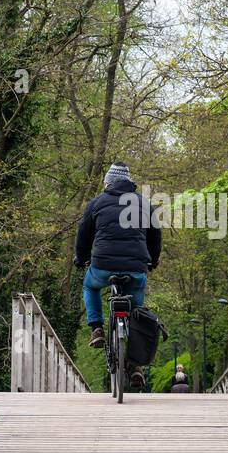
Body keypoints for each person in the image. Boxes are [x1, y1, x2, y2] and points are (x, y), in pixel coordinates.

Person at [74, 161, 162, 388]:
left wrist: (80, 257)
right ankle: (135, 367)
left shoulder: (97, 203)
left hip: (102, 265)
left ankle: (96, 329)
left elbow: (83, 234)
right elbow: (155, 237)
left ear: (108, 183)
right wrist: (152, 260)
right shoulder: (144, 204)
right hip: (136, 268)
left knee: (90, 286)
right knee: (135, 313)